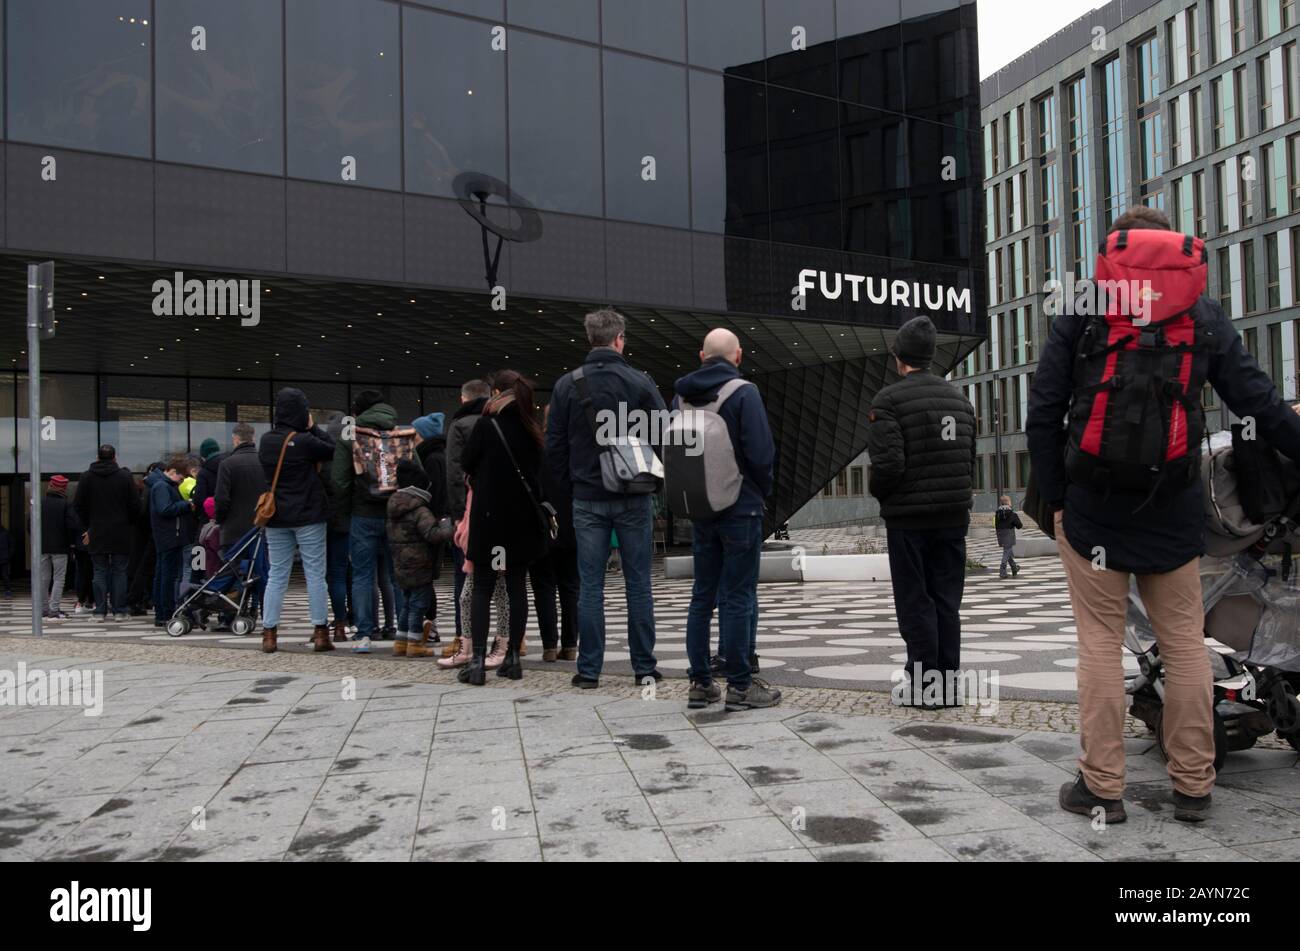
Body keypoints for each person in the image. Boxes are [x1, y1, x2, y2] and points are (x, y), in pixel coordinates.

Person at [1027, 206, 1300, 824]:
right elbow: (1257, 400)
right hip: (1174, 512)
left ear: (1115, 246)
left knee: (1099, 644)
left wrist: (1059, 498)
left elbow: (1043, 410)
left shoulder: (1082, 302)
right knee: (1183, 645)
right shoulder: (1200, 312)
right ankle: (1194, 786)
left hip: (1093, 508)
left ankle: (1101, 788)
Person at [546, 308, 665, 688]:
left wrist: (572, 487)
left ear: (590, 339)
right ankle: (644, 668)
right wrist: (651, 478)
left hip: (587, 497)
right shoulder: (640, 381)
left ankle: (589, 670)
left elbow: (555, 447)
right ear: (619, 339)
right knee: (638, 583)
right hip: (634, 495)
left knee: (591, 584)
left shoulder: (567, 385)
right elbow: (664, 433)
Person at [866, 314, 976, 708]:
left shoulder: (888, 400)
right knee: (947, 601)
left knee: (916, 602)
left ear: (899, 358)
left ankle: (924, 685)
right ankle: (946, 684)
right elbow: (969, 459)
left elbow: (888, 465)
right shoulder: (961, 400)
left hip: (909, 519)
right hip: (953, 517)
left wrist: (880, 495)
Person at [675, 328, 781, 712]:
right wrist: (759, 491)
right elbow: (761, 454)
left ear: (701, 356)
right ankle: (740, 685)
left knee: (702, 595)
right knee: (737, 594)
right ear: (738, 356)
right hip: (741, 508)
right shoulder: (744, 393)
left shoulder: (682, 397)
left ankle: (700, 683)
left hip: (702, 509)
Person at [458, 370, 550, 685]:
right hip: (521, 522)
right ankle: (512, 658)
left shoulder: (487, 425)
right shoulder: (531, 427)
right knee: (515, 587)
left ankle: (478, 661)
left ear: (497, 392)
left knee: (483, 586)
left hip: (490, 520)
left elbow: (467, 461)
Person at [259, 388, 336, 653]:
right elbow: (331, 450)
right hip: (308, 515)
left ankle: (269, 633)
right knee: (315, 574)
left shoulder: (266, 441)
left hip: (276, 516)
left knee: (276, 574)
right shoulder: (304, 440)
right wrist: (313, 428)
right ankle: (320, 632)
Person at [332, 389, 404, 646]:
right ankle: (404, 632)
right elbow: (416, 471)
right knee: (398, 575)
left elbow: (339, 481)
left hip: (362, 514)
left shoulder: (350, 436)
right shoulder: (399, 432)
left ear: (358, 412)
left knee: (363, 575)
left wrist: (344, 512)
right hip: (395, 514)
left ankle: (364, 633)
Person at [387, 458, 454, 658]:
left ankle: (401, 640)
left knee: (407, 603)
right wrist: (448, 527)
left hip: (401, 565)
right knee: (419, 604)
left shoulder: (393, 509)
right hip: (420, 566)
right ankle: (414, 643)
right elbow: (433, 535)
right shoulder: (420, 510)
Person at [73, 445, 142, 622]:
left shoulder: (87, 477)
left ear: (97, 457)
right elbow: (135, 505)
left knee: (99, 571)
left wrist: (88, 526)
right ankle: (119, 610)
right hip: (121, 530)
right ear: (115, 458)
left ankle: (99, 611)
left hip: (97, 530)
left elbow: (78, 506)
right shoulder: (125, 477)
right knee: (120, 571)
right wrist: (129, 523)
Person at [532, 404, 580, 662]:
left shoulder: (535, 448)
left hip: (540, 524)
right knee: (571, 586)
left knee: (543, 587)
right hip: (571, 524)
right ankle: (571, 644)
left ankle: (549, 645)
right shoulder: (575, 449)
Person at [446, 379, 491, 646]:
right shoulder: (498, 420)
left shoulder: (460, 426)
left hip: (470, 509)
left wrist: (458, 514)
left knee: (465, 574)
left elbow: (454, 473)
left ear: (464, 400)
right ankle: (508, 637)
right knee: (501, 576)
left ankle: (465, 636)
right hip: (498, 510)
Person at [214, 422, 269, 628]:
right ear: (253, 438)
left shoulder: (227, 464)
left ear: (235, 439)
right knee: (259, 571)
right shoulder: (264, 462)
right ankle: (256, 610)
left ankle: (229, 614)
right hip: (260, 528)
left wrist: (220, 520)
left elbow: (221, 499)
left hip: (233, 530)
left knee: (232, 572)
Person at [145, 455, 194, 628]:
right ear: (172, 472)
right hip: (169, 537)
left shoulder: (161, 485)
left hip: (167, 536)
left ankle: (163, 612)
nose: (181, 482)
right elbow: (165, 509)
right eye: (180, 478)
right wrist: (187, 505)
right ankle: (165, 613)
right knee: (167, 577)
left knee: (164, 576)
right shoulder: (162, 486)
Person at [412, 412, 449, 642]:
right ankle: (429, 623)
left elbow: (432, 495)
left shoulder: (431, 459)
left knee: (425, 576)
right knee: (427, 575)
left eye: (415, 433)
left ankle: (429, 624)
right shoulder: (440, 456)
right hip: (437, 523)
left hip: (430, 524)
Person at [322, 413, 353, 642]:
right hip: (346, 521)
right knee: (342, 573)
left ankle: (322, 624)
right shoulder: (352, 454)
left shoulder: (321, 456)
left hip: (320, 521)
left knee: (320, 575)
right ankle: (343, 622)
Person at [40, 475, 80, 619]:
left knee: (43, 578)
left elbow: (30, 524)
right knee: (58, 578)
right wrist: (70, 542)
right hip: (60, 547)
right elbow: (72, 525)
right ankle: (54, 609)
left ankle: (43, 608)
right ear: (63, 488)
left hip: (42, 547)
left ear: (50, 486)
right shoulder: (65, 504)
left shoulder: (40, 503)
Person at [191, 437, 225, 513]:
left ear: (204, 456)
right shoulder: (229, 466)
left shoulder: (204, 472)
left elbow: (199, 500)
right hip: (230, 515)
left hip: (209, 516)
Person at [995, 496, 1022, 579]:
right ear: (1008, 502)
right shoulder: (1012, 514)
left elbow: (996, 524)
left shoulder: (998, 513)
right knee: (1007, 551)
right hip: (1009, 534)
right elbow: (1019, 526)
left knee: (1008, 551)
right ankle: (1002, 571)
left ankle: (1014, 568)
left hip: (1000, 533)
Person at [0, 521, 11, 598]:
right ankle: (8, 591)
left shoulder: (6, 533)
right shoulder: (6, 533)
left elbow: (11, 545)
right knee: (5, 575)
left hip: (4, 557)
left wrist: (8, 555)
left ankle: (8, 591)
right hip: (4, 557)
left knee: (5, 575)